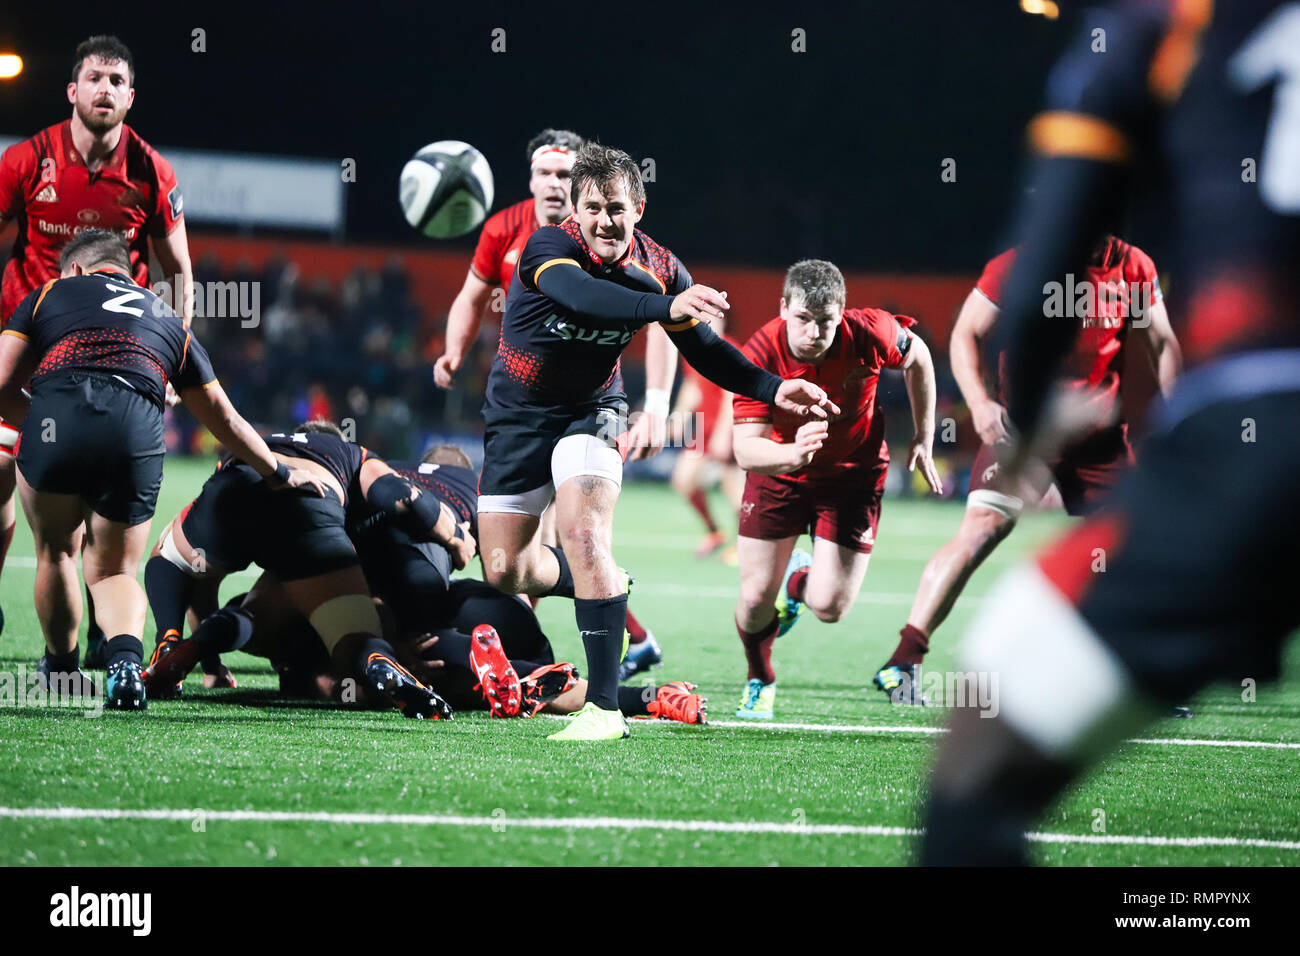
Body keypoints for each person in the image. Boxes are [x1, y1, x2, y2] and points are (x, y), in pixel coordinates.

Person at [921, 0, 1300, 865]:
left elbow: (1050, 247)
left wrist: (1024, 423)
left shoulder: (1162, 23)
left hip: (1257, 423)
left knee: (980, 760)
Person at [476, 142, 837, 740]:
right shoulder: (549, 249)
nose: (605, 221)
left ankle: (605, 709)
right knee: (505, 569)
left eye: (617, 207)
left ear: (638, 206)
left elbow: (706, 350)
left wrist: (774, 389)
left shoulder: (663, 266)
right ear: (576, 209)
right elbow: (583, 297)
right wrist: (666, 307)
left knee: (585, 531)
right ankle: (599, 583)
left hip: (595, 409)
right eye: (592, 208)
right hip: (518, 414)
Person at [0, 229, 323, 709]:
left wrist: (48, 422)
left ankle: (62, 672)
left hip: (56, 417)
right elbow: (223, 415)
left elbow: (3, 382)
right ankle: (126, 667)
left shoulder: (49, 292)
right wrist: (277, 469)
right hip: (134, 429)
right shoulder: (167, 317)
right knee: (113, 571)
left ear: (76, 270)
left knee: (58, 554)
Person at [875, 234, 1181, 704]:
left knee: (1141, 543)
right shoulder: (1025, 261)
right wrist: (978, 404)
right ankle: (904, 660)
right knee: (980, 530)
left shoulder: (1134, 264)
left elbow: (1163, 342)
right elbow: (966, 333)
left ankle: (1144, 673)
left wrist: (1175, 415)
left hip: (1097, 435)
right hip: (1025, 430)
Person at [431, 128, 663, 659]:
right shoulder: (503, 230)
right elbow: (471, 297)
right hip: (524, 407)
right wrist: (453, 351)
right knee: (513, 562)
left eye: (565, 174)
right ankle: (628, 632)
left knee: (575, 535)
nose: (554, 184)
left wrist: (658, 404)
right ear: (531, 179)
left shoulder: (613, 238)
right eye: (545, 173)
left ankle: (547, 663)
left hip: (592, 405)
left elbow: (666, 314)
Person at [0, 35, 195, 654]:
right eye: (94, 78)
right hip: (25, 345)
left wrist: (173, 356)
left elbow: (179, 271)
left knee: (89, 518)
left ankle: (88, 649)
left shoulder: (152, 172)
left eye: (117, 80)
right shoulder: (25, 162)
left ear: (130, 96)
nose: (105, 89)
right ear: (72, 91)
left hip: (108, 359)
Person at [729, 259, 942, 719]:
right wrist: (792, 456)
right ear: (784, 308)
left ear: (841, 313)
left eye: (825, 322)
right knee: (752, 601)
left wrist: (925, 437)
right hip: (778, 474)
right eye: (802, 319)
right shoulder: (759, 352)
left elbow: (919, 356)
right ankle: (759, 677)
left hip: (853, 477)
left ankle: (799, 582)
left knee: (829, 607)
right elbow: (745, 452)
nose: (813, 333)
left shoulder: (871, 333)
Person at [142, 420, 466, 719]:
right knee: (353, 639)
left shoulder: (266, 441)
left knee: (169, 558)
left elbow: (203, 580)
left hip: (232, 488)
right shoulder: (353, 453)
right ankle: (378, 663)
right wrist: (455, 538)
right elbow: (397, 495)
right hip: (309, 505)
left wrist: (211, 667)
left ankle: (170, 640)